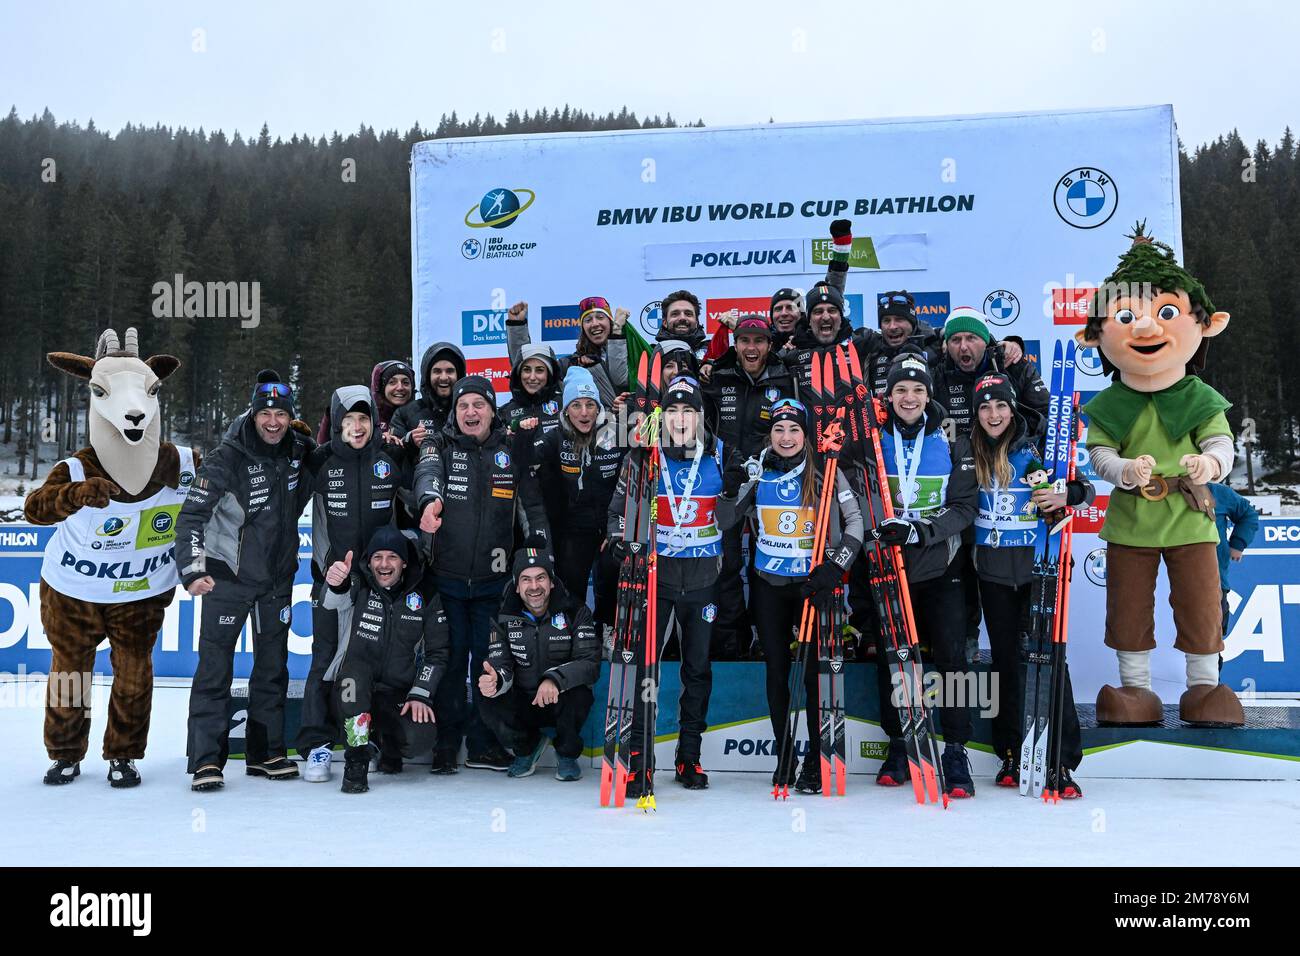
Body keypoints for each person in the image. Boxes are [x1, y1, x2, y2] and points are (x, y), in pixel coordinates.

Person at [178, 370, 316, 792]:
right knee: (214, 672)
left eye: (280, 414)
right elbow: (191, 518)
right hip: (226, 582)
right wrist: (193, 570)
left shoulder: (298, 450)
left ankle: (266, 752)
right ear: (253, 415)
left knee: (272, 670)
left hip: (276, 582)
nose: (273, 422)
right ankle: (206, 760)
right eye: (265, 414)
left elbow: (337, 461)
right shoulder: (227, 456)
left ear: (291, 417)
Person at [718, 399, 863, 792]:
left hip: (811, 588)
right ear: (771, 434)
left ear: (805, 434)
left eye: (794, 430)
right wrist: (733, 488)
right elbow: (726, 520)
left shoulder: (826, 470)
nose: (786, 437)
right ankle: (785, 756)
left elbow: (856, 521)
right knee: (777, 673)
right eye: (779, 430)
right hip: (768, 587)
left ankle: (817, 761)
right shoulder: (758, 469)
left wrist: (836, 566)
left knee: (813, 676)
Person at [414, 375, 550, 773]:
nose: (471, 412)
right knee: (450, 663)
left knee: (488, 664)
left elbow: (532, 507)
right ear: (455, 413)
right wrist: (429, 502)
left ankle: (482, 743)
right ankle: (445, 744)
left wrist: (541, 553)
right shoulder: (438, 444)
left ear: (493, 409)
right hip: (448, 580)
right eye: (463, 406)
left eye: (479, 405)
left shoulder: (510, 449)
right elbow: (427, 476)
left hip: (494, 584)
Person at [968, 373, 1092, 797]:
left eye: (1000, 405)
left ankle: (1060, 759)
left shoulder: (1036, 445)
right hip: (992, 574)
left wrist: (1068, 494)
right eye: (985, 407)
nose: (994, 414)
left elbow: (1085, 488)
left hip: (1041, 567)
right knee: (1004, 662)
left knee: (1048, 658)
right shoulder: (969, 451)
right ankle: (1009, 752)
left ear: (1013, 408)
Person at [865, 354, 978, 798]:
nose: (909, 398)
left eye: (917, 390)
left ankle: (954, 749)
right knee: (893, 658)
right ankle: (899, 743)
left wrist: (923, 530)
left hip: (940, 565)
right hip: (888, 567)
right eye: (900, 391)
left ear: (928, 395)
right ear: (888, 396)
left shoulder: (951, 437)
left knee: (951, 658)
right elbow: (854, 491)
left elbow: (966, 506)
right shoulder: (874, 439)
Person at [607, 376, 722, 795]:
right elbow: (618, 512)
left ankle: (689, 756)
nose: (680, 419)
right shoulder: (641, 458)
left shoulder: (720, 455)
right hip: (657, 577)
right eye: (672, 411)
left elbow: (736, 508)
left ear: (700, 417)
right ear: (662, 417)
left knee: (697, 670)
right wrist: (622, 542)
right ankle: (641, 760)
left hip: (705, 579)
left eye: (688, 411)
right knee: (645, 669)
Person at [297, 386, 408, 782]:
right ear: (337, 422)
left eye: (364, 420)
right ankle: (317, 745)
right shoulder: (319, 461)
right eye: (349, 420)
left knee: (364, 667)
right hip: (332, 580)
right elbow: (284, 501)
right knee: (326, 660)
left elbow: (413, 505)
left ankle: (363, 740)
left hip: (378, 585)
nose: (357, 427)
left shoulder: (390, 458)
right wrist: (327, 569)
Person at [319, 526, 448, 794]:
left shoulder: (425, 595)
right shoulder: (360, 583)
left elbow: (438, 652)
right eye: (377, 557)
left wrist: (421, 693)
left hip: (396, 692)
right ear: (369, 562)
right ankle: (356, 760)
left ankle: (383, 743)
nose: (384, 564)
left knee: (421, 736)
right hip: (353, 690)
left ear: (404, 562)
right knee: (353, 683)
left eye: (392, 557)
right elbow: (333, 600)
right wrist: (335, 581)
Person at [703, 314, 799, 658]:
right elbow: (707, 425)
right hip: (727, 481)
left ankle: (770, 634)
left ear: (769, 345)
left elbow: (793, 426)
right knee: (727, 562)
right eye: (744, 340)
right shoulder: (719, 376)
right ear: (736, 344)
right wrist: (732, 463)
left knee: (769, 562)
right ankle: (733, 639)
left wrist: (759, 458)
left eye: (758, 341)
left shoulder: (786, 378)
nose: (751, 347)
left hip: (773, 481)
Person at [516, 366, 626, 628]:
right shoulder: (556, 435)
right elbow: (525, 460)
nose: (585, 412)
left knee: (612, 573)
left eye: (590, 404)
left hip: (610, 526)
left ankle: (607, 627)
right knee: (571, 581)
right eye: (576, 405)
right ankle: (579, 631)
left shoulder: (616, 431)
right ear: (566, 410)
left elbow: (646, 453)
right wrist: (523, 435)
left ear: (599, 408)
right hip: (574, 528)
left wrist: (639, 414)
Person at [477, 548, 599, 781]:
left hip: (561, 698)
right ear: (516, 585)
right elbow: (500, 663)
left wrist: (555, 679)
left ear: (551, 582)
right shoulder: (502, 615)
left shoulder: (575, 610)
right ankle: (526, 748)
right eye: (526, 579)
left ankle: (567, 754)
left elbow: (590, 664)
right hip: (524, 700)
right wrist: (496, 680)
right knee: (485, 691)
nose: (534, 586)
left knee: (579, 694)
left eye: (540, 578)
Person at [930, 307, 1043, 437]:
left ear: (985, 341)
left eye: (971, 338)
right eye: (955, 340)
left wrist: (1021, 444)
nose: (963, 346)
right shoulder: (937, 376)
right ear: (947, 345)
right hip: (958, 455)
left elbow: (1045, 414)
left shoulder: (1012, 364)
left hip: (1007, 453)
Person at [506, 299, 630, 407]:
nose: (594, 324)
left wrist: (617, 332)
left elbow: (628, 384)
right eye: (588, 320)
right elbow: (527, 361)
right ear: (582, 328)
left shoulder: (634, 355)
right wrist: (517, 326)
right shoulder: (572, 364)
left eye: (600, 317)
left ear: (610, 321)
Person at [388, 341, 466, 456]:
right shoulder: (405, 413)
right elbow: (391, 457)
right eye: (437, 371)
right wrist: (410, 441)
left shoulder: (471, 412)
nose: (444, 377)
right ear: (427, 376)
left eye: (450, 371)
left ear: (459, 375)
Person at [1210, 482, 1260, 649]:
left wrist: (1238, 543)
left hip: (1215, 583)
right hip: (1162, 583)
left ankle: (1212, 675)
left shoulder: (1216, 491)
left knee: (1210, 643)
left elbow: (1248, 514)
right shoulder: (1155, 489)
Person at [498, 344, 562, 435]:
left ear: (549, 374)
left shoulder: (565, 405)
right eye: (527, 370)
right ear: (519, 374)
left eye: (539, 370)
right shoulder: (504, 412)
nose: (532, 377)